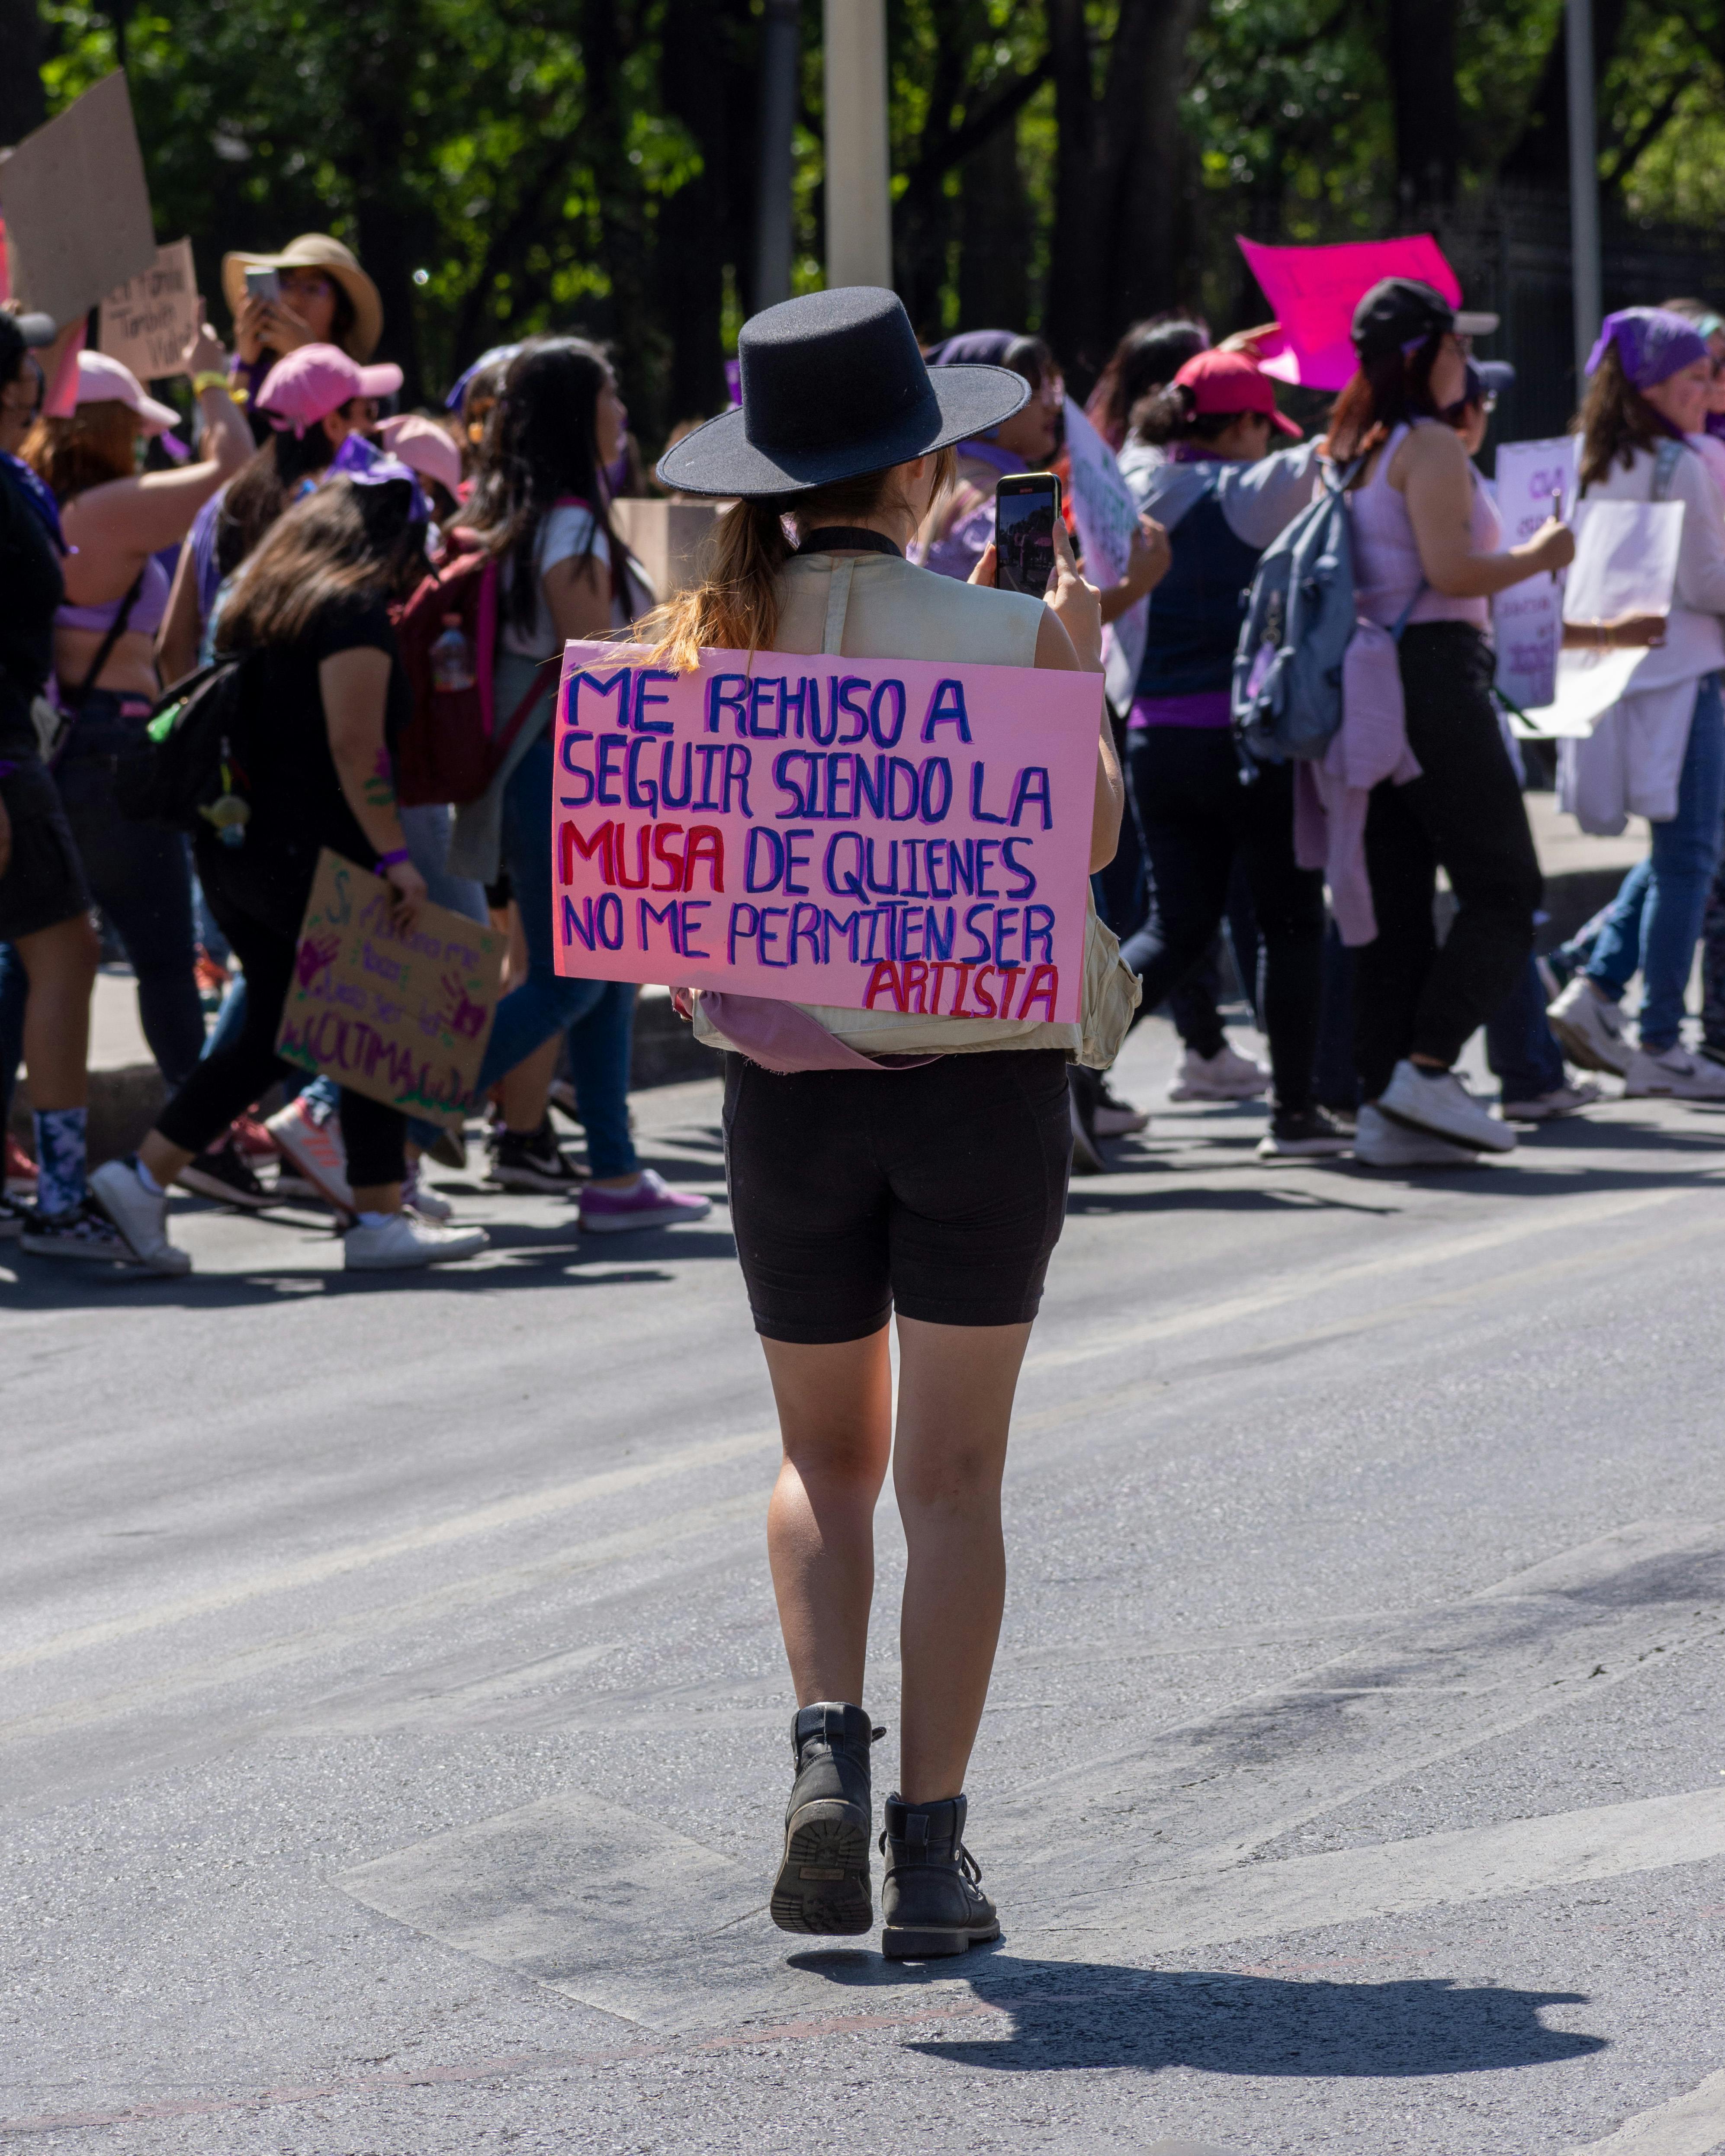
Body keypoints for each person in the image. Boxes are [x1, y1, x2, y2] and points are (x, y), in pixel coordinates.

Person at [649, 287, 1122, 1959]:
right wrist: (1062, 643)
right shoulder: (1007, 634)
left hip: (785, 1100)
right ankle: (930, 1857)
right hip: (982, 1096)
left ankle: (821, 1754)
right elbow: (1087, 850)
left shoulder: (701, 646)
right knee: (955, 1478)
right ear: (925, 466)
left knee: (818, 1459)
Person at [89, 462, 487, 1272]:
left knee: (284, 1020)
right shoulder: (352, 614)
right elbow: (354, 744)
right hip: (308, 850)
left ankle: (146, 1178)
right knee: (370, 1005)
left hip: (235, 845)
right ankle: (375, 1217)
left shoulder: (264, 597)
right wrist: (397, 858)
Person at [437, 337, 709, 1229]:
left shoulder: (544, 515)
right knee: (569, 980)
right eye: (610, 393)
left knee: (606, 966)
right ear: (573, 413)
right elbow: (608, 666)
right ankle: (370, 1121)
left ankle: (616, 1173)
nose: (623, 412)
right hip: (563, 776)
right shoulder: (567, 527)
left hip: (564, 776)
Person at [1322, 277, 1575, 1167]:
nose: (1466, 362)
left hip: (1375, 690)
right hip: (1429, 678)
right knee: (1506, 889)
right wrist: (1539, 554)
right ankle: (1427, 1068)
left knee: (1394, 908)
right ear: (1425, 350)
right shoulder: (1425, 443)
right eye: (1458, 346)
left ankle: (1387, 1097)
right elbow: (1452, 570)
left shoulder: (1352, 444)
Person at [1114, 348, 1342, 1159]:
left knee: (1173, 927)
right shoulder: (1253, 489)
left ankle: (1067, 1075)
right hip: (1249, 745)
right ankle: (1294, 1110)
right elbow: (1334, 448)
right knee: (1287, 922)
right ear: (1243, 425)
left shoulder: (1134, 486)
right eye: (1260, 425)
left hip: (1152, 740)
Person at [23, 337, 252, 1109]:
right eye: (134, 424)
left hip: (63, 752)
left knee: (33, 958)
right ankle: (197, 1128)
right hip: (112, 753)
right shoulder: (103, 511)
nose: (147, 440)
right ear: (102, 426)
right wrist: (212, 379)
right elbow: (233, 470)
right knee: (160, 955)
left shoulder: (42, 504)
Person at [1543, 308, 1725, 1101]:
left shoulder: (1584, 459)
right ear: (1651, 382)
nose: (1706, 391)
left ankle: (1598, 988)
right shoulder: (1677, 464)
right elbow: (1706, 586)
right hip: (1683, 679)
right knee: (1690, 854)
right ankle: (1657, 1037)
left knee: (1675, 850)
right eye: (1694, 375)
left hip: (1610, 673)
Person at [0, 308, 130, 1257]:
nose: (45, 374)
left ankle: (54, 1187)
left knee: (57, 954)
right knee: (69, 952)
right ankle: (58, 1197)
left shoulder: (15, 478)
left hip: (18, 747)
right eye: (31, 362)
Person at [1439, 363, 1599, 1124]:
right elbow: (1501, 597)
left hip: (1438, 706)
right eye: (1483, 397)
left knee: (1466, 900)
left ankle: (1518, 1066)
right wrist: (1540, 558)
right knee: (1503, 895)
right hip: (1454, 707)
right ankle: (1518, 1071)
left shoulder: (1439, 475)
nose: (1488, 410)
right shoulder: (1452, 484)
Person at [158, 342, 402, 686]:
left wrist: (199, 725)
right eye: (369, 414)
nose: (375, 431)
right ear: (333, 425)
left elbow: (172, 646)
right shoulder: (344, 519)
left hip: (229, 730)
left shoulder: (221, 505)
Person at [221, 234, 385, 416]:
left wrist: (310, 359)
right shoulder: (237, 371)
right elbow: (225, 439)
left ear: (342, 315)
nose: (295, 300)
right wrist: (243, 365)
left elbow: (338, 435)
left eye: (313, 289)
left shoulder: (369, 389)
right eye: (286, 285)